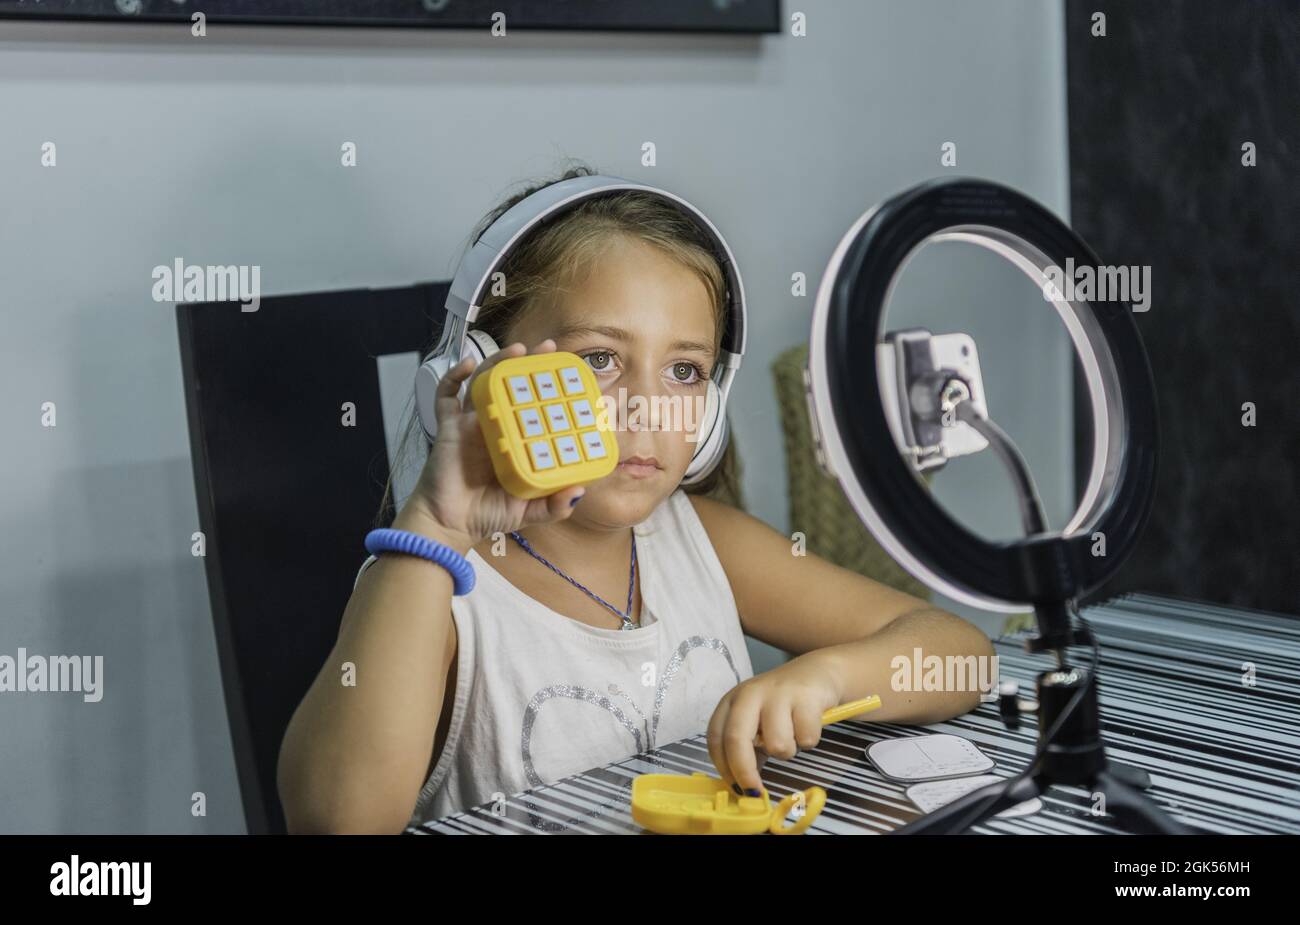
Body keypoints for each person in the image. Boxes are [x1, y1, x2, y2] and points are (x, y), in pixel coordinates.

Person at [277, 163, 996, 834]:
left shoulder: (701, 539)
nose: (648, 409)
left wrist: (830, 675)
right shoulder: (429, 583)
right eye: (599, 360)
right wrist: (434, 526)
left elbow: (960, 656)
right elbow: (338, 820)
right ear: (481, 372)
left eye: (685, 370)